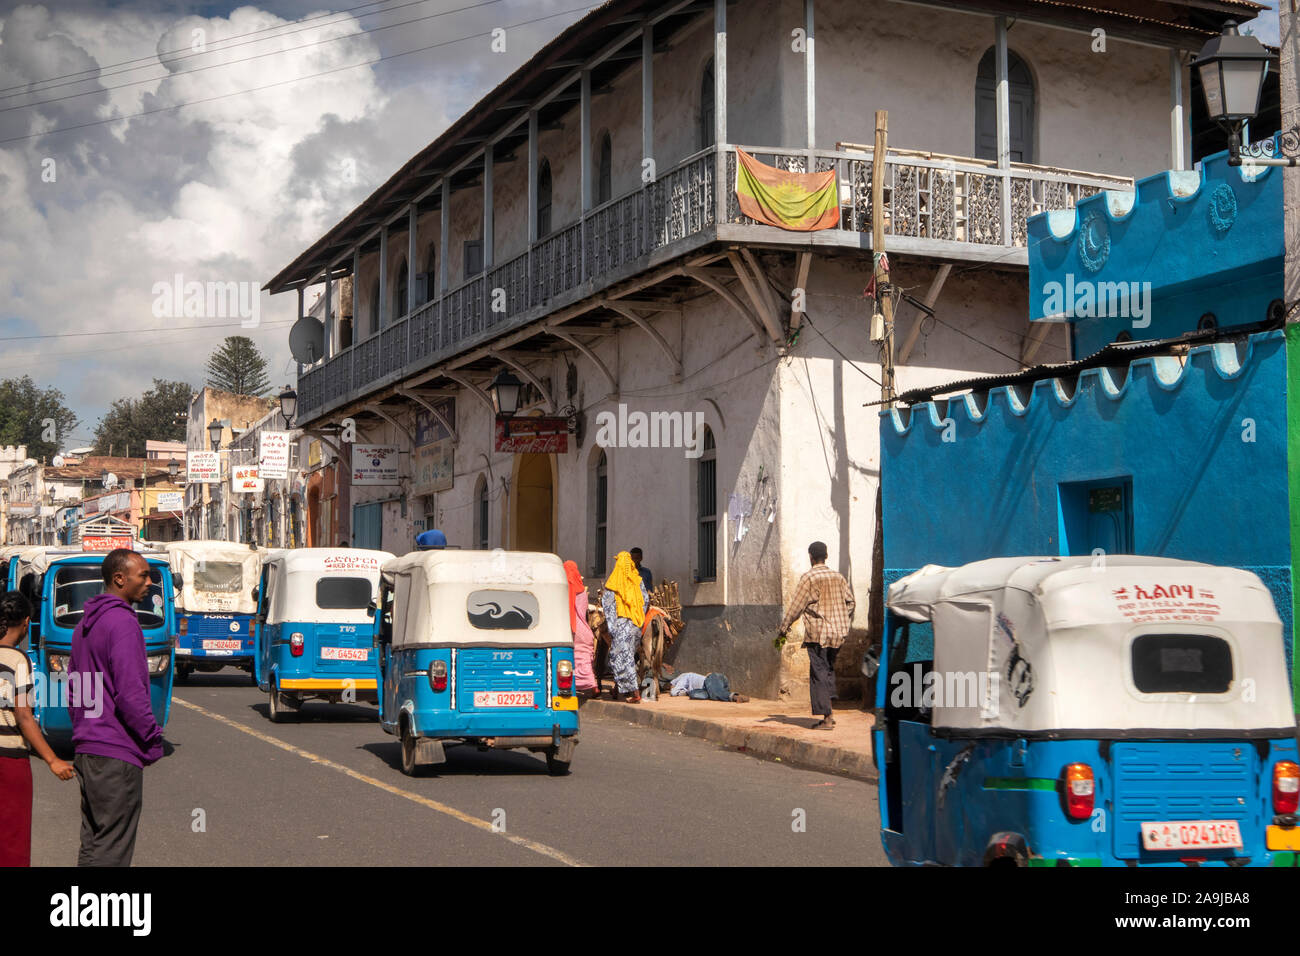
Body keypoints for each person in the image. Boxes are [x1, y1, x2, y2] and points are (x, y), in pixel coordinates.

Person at [69, 550, 165, 867]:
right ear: (120, 578)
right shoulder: (123, 622)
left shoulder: (85, 623)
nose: (150, 583)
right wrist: (152, 739)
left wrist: (84, 730)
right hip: (115, 751)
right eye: (144, 575)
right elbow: (131, 693)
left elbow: (74, 688)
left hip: (88, 746)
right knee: (112, 848)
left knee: (94, 842)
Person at [1, 591, 76, 867]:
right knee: (12, 835)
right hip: (8, 762)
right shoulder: (18, 660)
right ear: (25, 623)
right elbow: (24, 716)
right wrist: (52, 759)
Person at [776, 541, 855, 731]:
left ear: (811, 556)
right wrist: (842, 621)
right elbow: (850, 602)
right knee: (827, 669)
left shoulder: (809, 578)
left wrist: (783, 628)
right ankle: (830, 710)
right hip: (838, 633)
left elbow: (796, 606)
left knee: (818, 673)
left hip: (818, 634)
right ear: (826, 556)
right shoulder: (838, 577)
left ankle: (827, 718)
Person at [601, 551, 648, 703]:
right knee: (628, 657)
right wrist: (638, 621)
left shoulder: (613, 583)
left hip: (621, 626)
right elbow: (645, 602)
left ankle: (635, 693)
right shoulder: (638, 581)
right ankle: (620, 687)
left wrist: (613, 628)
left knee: (619, 657)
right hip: (635, 626)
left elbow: (608, 608)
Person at [563, 561, 599, 698]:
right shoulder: (583, 591)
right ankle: (593, 686)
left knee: (574, 658)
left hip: (570, 628)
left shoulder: (563, 590)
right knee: (585, 658)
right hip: (584, 630)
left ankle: (575, 685)